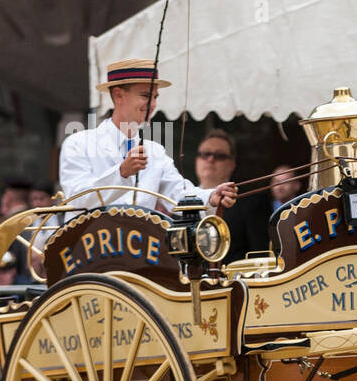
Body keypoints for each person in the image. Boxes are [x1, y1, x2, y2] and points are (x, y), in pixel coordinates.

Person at [59, 59, 237, 214]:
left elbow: (179, 194)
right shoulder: (78, 144)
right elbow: (76, 199)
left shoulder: (155, 152)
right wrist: (121, 173)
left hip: (140, 250)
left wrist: (211, 196)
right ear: (118, 95)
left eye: (155, 97)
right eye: (145, 96)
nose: (152, 105)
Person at [193, 130, 272, 263]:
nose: (210, 159)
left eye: (219, 156)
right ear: (196, 160)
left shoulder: (253, 202)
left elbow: (260, 256)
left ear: (232, 164)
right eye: (205, 154)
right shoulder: (180, 201)